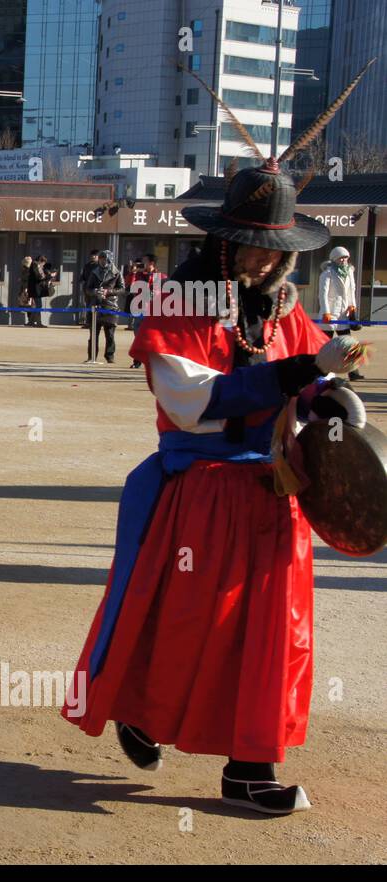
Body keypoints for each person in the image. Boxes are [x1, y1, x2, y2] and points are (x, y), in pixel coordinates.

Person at [62, 69, 372, 815]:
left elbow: (306, 382)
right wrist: (302, 368)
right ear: (223, 242)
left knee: (274, 633)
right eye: (251, 248)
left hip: (275, 497)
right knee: (187, 625)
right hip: (200, 496)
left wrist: (335, 397)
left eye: (275, 251)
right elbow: (199, 403)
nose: (263, 262)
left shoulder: (286, 310)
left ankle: (250, 767)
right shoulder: (173, 306)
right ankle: (142, 710)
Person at [318, 246, 363, 381]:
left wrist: (352, 306)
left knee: (349, 344)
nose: (344, 260)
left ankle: (353, 372)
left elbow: (352, 290)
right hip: (330, 315)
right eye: (341, 257)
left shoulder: (349, 271)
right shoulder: (327, 273)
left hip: (343, 314)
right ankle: (320, 370)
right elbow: (323, 294)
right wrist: (326, 312)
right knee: (324, 345)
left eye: (346, 257)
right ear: (334, 259)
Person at [84, 249, 123, 363]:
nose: (103, 261)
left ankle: (110, 357)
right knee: (93, 334)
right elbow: (87, 288)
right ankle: (92, 357)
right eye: (101, 258)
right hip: (95, 306)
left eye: (105, 258)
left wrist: (109, 291)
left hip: (111, 306)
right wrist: (95, 291)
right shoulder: (94, 272)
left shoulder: (117, 272)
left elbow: (122, 289)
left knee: (110, 334)